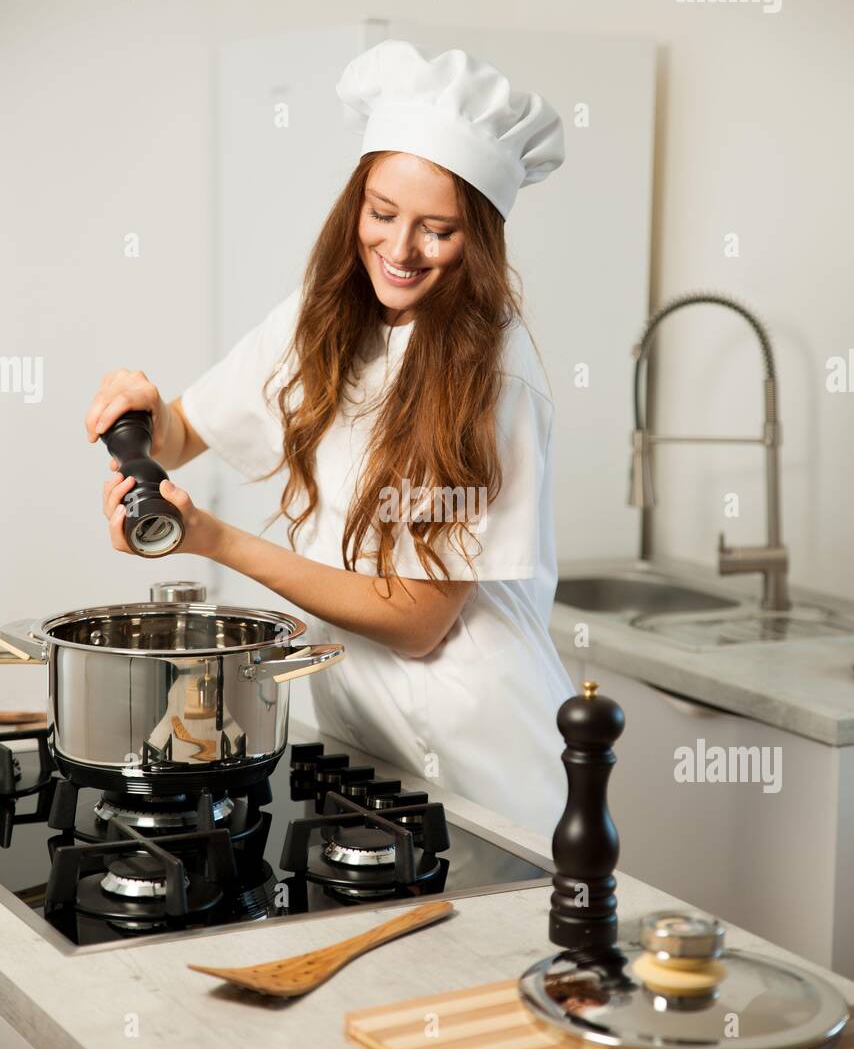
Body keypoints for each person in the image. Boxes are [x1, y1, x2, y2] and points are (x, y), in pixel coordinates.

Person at [85, 40, 575, 835]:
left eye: (438, 230)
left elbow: (418, 616)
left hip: (484, 753)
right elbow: (180, 433)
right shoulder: (320, 316)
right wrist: (143, 414)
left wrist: (210, 539)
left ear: (479, 240)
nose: (400, 249)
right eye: (382, 214)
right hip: (363, 738)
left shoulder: (495, 373)